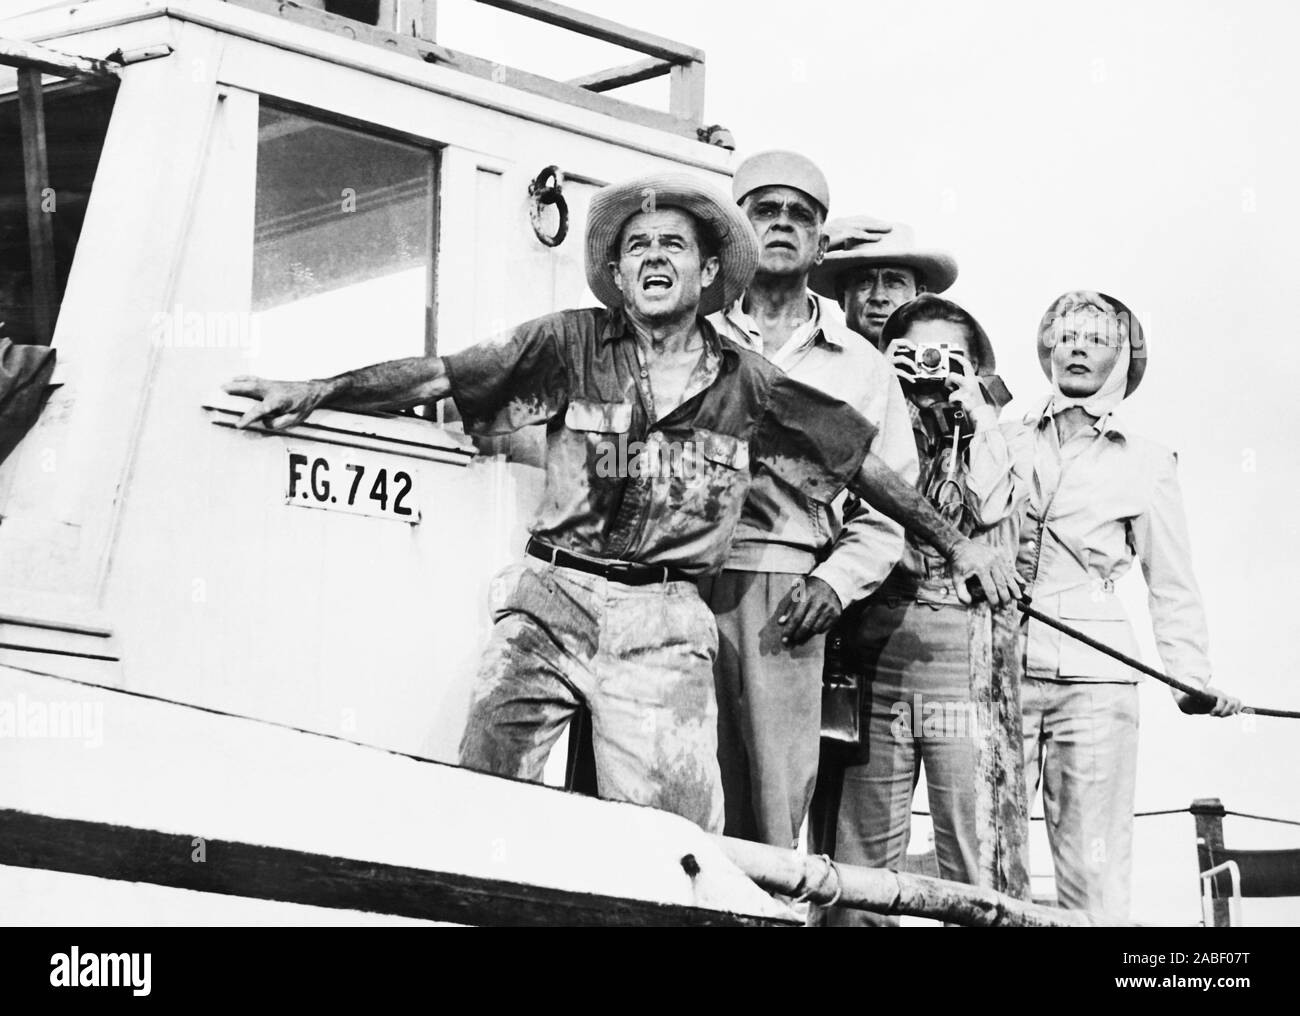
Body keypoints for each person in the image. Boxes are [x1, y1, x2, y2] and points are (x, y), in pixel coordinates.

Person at [221, 173, 1021, 834]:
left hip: (666, 624)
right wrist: (320, 388)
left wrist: (960, 544)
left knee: (669, 843)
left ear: (709, 274)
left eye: (673, 244)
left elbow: (862, 469)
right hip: (551, 601)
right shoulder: (565, 343)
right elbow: (442, 376)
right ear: (620, 272)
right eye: (636, 245)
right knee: (475, 800)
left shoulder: (752, 383)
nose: (653, 256)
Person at [703, 150, 917, 849]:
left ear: (822, 241)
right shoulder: (692, 333)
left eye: (802, 214)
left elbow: (889, 510)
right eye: (765, 209)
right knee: (673, 785)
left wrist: (834, 581)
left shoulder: (861, 364)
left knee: (773, 805)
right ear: (735, 227)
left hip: (789, 594)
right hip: (676, 580)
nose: (784, 223)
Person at [1017, 290, 1240, 921]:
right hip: (995, 667)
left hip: (1097, 677)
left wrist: (1190, 679)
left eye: (1097, 337)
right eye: (1066, 336)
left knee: (1093, 866)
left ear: (1123, 357)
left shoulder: (1146, 461)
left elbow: (1171, 581)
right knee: (990, 849)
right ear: (1048, 350)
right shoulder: (1000, 438)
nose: (1079, 347)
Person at [807, 294, 1028, 926]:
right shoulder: (866, 418)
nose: (929, 366)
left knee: (976, 846)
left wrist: (974, 408)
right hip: (873, 641)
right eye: (910, 353)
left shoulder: (991, 430)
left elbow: (990, 507)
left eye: (947, 355)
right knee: (861, 854)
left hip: (963, 646)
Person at [809, 220, 958, 350]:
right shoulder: (813, 366)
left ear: (918, 296)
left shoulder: (941, 365)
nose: (879, 296)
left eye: (894, 282)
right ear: (842, 296)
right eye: (865, 281)